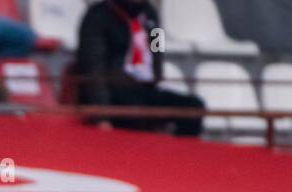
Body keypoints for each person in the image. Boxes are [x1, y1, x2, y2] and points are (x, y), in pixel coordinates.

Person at [74, 0, 204, 137]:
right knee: (135, 112)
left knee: (193, 107)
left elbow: (158, 49)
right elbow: (93, 68)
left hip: (144, 90)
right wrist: (101, 116)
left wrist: (156, 76)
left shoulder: (150, 13)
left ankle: (179, 149)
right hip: (114, 93)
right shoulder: (97, 15)